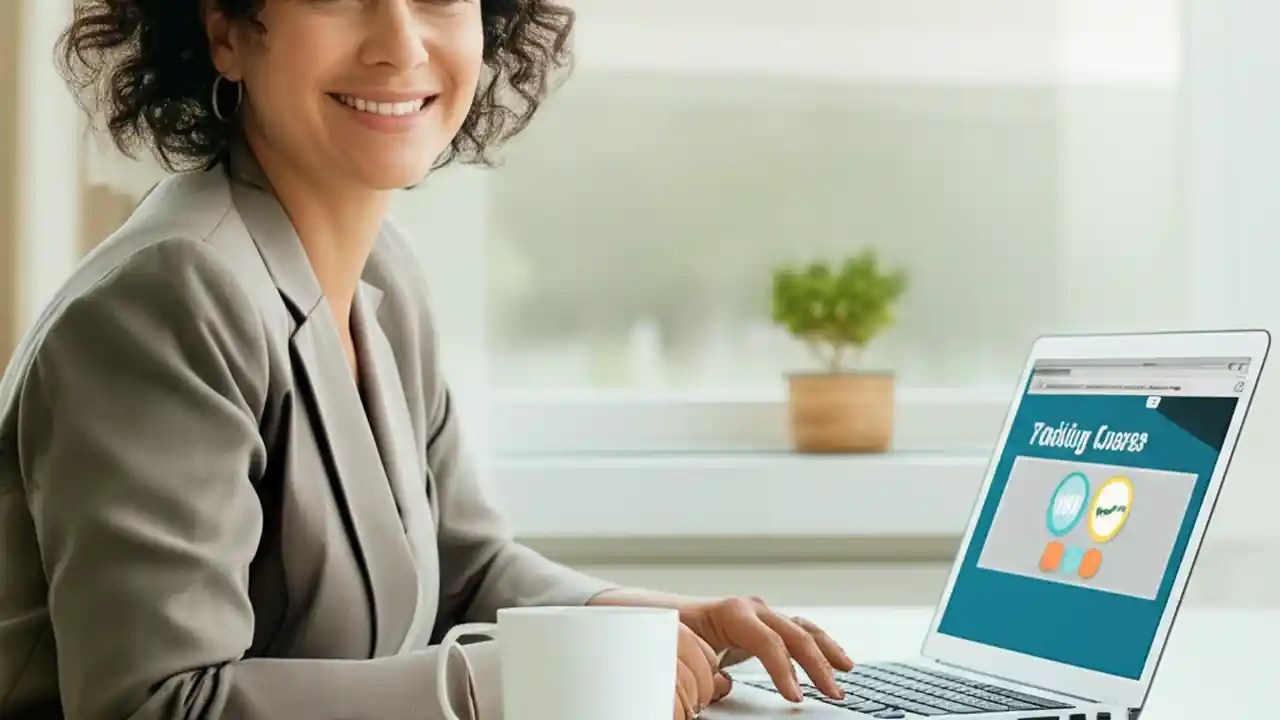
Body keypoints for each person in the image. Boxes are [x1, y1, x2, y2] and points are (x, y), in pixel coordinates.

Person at [0, 2, 853, 718]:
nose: (400, 44)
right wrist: (533, 686)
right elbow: (156, 704)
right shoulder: (169, 296)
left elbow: (466, 570)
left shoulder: (381, 272)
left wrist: (660, 620)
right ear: (227, 32)